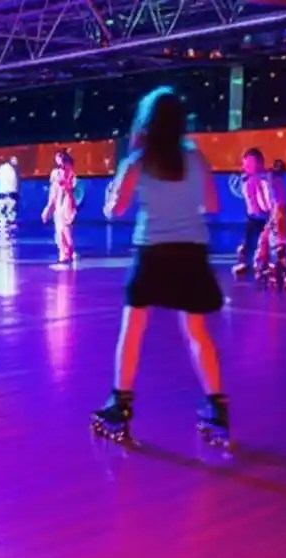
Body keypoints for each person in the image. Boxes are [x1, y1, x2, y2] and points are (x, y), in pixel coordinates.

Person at [90, 87, 229, 447]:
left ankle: (119, 405)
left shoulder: (137, 161)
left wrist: (114, 193)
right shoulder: (196, 159)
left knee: (133, 329)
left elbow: (115, 210)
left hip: (152, 252)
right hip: (192, 252)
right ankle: (217, 409)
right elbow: (212, 205)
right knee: (197, 332)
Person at [254, 158, 286, 290]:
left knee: (279, 247)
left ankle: (283, 275)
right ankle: (273, 273)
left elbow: (280, 208)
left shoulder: (276, 184)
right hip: (276, 217)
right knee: (268, 244)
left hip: (278, 217)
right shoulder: (275, 183)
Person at [231, 147, 271, 278]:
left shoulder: (264, 180)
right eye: (246, 164)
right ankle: (247, 262)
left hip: (264, 218)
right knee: (249, 241)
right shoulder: (247, 181)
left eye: (250, 164)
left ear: (260, 164)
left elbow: (267, 201)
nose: (246, 167)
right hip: (253, 217)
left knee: (264, 242)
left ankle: (263, 264)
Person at [42, 150, 78, 265]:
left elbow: (71, 190)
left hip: (66, 204)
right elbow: (53, 193)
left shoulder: (70, 174)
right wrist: (48, 208)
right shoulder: (56, 173)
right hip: (59, 204)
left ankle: (68, 252)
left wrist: (65, 185)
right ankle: (64, 254)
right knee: (59, 231)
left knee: (65, 229)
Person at [0, 156, 20, 260]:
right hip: (9, 197)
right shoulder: (10, 170)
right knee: (9, 221)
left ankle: (2, 242)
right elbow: (14, 186)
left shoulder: (2, 169)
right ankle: (7, 244)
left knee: (1, 222)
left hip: (3, 196)